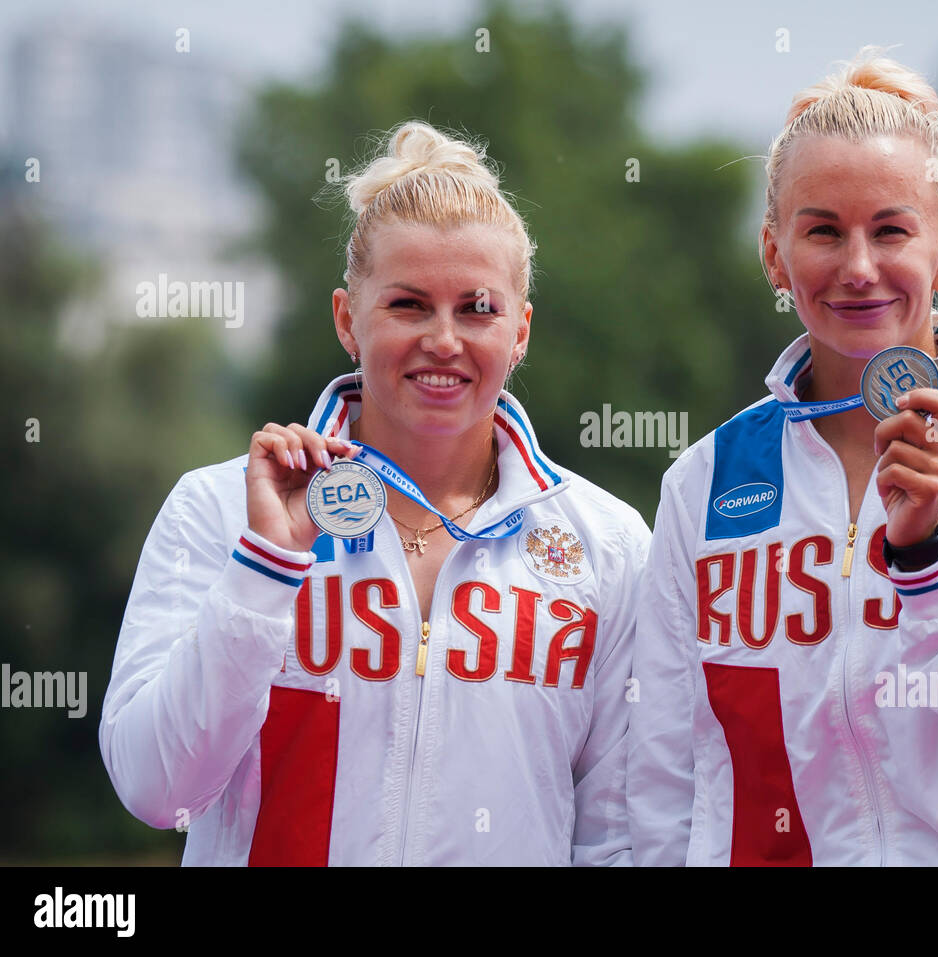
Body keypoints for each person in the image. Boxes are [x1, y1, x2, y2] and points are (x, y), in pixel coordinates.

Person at [627, 49, 938, 866]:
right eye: (823, 229)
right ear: (774, 255)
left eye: (892, 229)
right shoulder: (702, 481)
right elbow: (657, 786)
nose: (858, 268)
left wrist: (932, 563)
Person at [100, 121, 649, 865]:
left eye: (478, 308)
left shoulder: (609, 544)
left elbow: (616, 832)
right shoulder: (217, 509)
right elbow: (156, 788)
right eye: (408, 304)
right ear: (346, 319)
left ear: (520, 331)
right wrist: (267, 566)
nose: (445, 340)